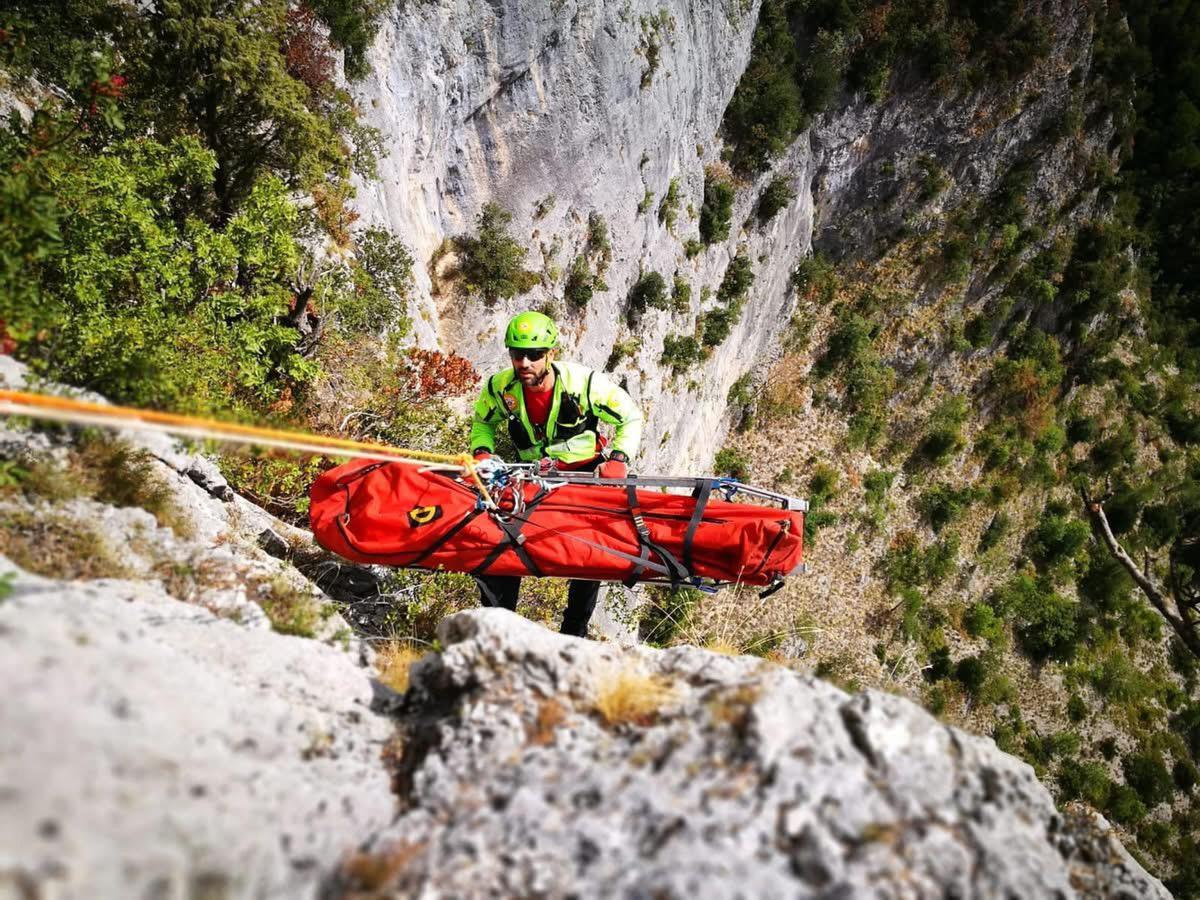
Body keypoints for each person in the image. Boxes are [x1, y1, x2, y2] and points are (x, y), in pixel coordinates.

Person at [468, 310, 643, 636]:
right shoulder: (500, 389)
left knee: (591, 556)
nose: (524, 363)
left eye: (534, 355)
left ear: (551, 353)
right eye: (517, 354)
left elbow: (630, 417)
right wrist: (482, 452)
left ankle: (574, 634)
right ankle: (499, 630)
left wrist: (619, 458)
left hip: (584, 477)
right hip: (533, 479)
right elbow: (482, 422)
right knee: (504, 541)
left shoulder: (583, 384)